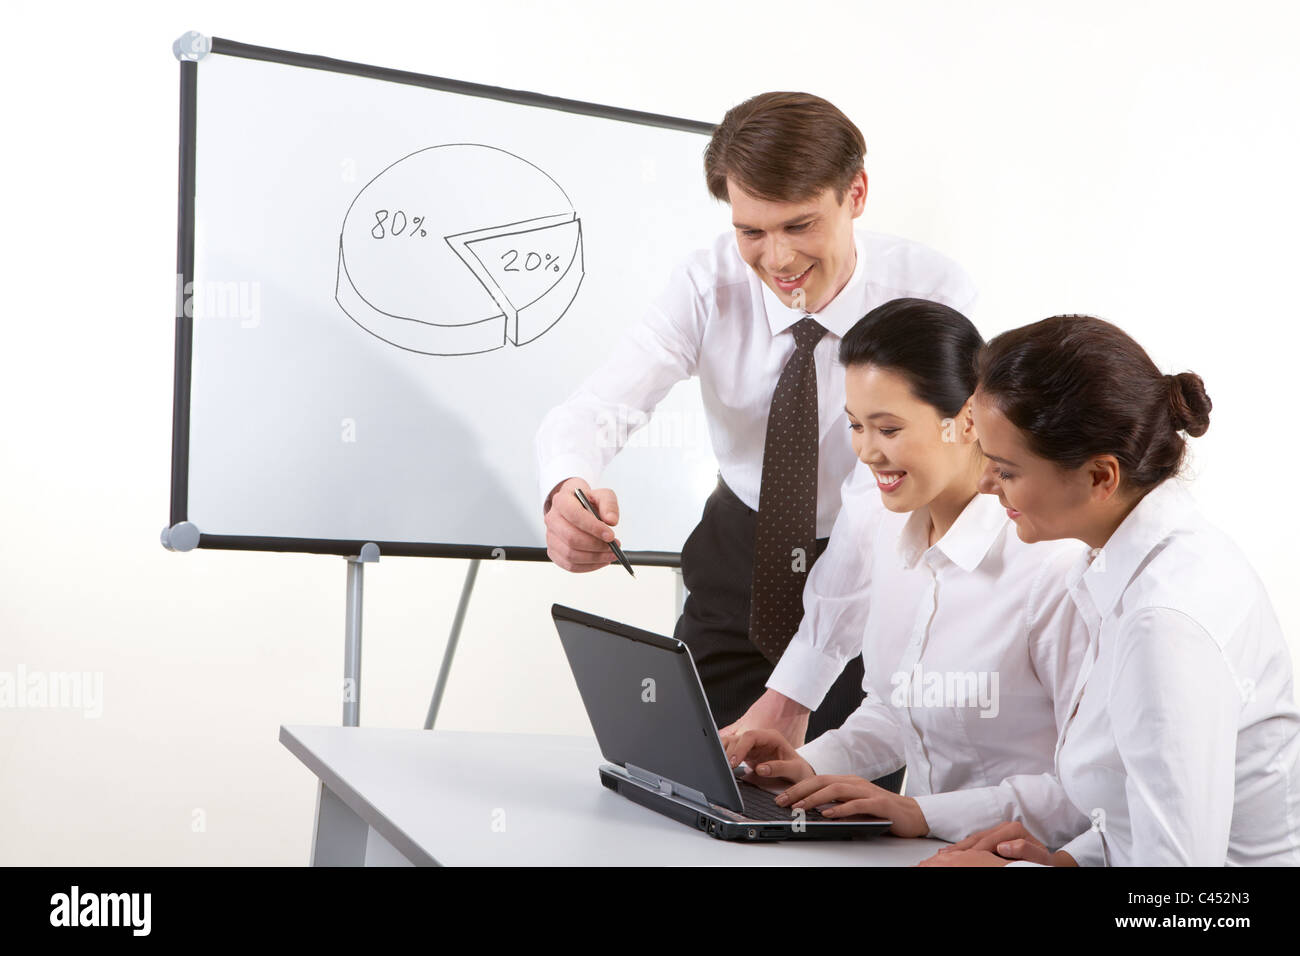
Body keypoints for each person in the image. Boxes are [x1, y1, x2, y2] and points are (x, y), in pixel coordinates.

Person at [535, 92, 976, 745]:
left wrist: (794, 692)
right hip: (740, 549)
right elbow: (597, 407)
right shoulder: (705, 283)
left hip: (878, 558)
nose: (777, 260)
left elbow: (868, 513)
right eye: (751, 232)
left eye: (799, 226)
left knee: (834, 816)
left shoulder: (932, 293)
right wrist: (566, 486)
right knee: (683, 771)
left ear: (855, 193)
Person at [918, 314, 1300, 866]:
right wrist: (1068, 861)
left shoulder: (1164, 621)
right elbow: (1128, 807)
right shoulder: (1123, 565)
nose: (984, 484)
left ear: (1101, 477)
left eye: (1004, 469)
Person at [720, 299, 1094, 848]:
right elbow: (899, 711)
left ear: (967, 421)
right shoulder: (884, 527)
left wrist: (921, 812)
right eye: (855, 426)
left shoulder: (1051, 565)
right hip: (919, 851)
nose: (867, 452)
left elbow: (1087, 790)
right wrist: (807, 766)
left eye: (888, 428)